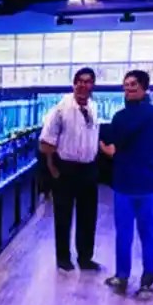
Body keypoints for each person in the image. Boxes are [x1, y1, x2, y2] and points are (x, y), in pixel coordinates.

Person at [99, 70, 153, 299]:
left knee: (128, 233)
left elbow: (111, 149)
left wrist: (103, 147)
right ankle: (145, 281)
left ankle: (124, 277)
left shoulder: (120, 117)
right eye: (126, 85)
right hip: (147, 183)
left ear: (144, 87)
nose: (128, 89)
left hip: (128, 183)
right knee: (146, 234)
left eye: (132, 85)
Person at [39, 67, 102, 272]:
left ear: (93, 85)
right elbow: (46, 141)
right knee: (63, 215)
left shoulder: (93, 107)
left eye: (88, 81)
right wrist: (52, 168)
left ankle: (85, 258)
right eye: (80, 81)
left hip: (88, 169)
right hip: (65, 169)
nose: (84, 85)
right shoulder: (60, 109)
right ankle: (63, 258)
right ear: (74, 84)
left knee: (88, 216)